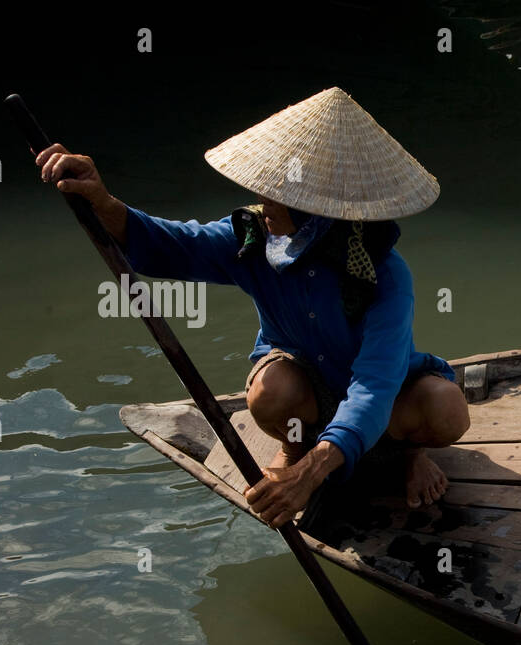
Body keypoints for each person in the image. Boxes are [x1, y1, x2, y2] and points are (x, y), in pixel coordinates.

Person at [32, 87, 469, 528]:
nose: (265, 203)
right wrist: (102, 201)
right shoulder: (256, 239)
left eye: (280, 196)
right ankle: (296, 446)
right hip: (307, 388)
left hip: (383, 401)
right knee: (270, 390)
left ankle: (410, 455)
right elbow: (173, 247)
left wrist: (310, 475)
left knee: (446, 408)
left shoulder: (384, 274)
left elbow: (374, 386)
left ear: (318, 212)